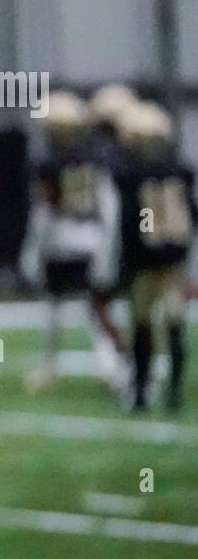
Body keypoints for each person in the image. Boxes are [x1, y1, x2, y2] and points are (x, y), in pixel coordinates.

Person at [19, 91, 126, 393]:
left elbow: (44, 209)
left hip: (60, 238)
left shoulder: (48, 163)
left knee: (55, 306)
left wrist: (31, 250)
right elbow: (108, 202)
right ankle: (112, 367)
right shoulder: (97, 156)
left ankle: (53, 367)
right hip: (93, 236)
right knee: (98, 308)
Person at [111, 102, 195, 412]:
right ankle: (174, 392)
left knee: (143, 325)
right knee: (173, 323)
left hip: (145, 261)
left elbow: (129, 222)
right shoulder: (181, 171)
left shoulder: (129, 175)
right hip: (174, 256)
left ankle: (142, 392)